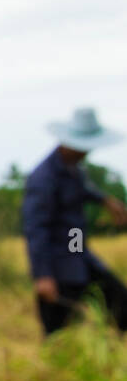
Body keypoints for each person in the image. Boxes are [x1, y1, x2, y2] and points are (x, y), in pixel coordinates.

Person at [21, 108, 127, 337]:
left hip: (78, 254)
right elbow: (35, 229)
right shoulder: (43, 178)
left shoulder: (74, 170)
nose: (86, 151)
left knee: (120, 302)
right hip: (58, 266)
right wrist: (43, 276)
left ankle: (111, 356)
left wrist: (105, 200)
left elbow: (83, 190)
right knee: (60, 334)